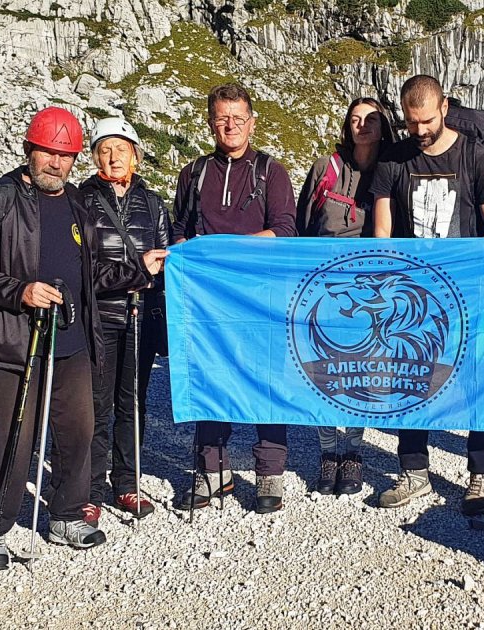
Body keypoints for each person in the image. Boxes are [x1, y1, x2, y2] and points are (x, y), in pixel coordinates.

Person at [0, 107, 167, 571]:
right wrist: (20, 291)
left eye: (66, 154)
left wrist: (138, 271)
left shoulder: (78, 204)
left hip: (72, 342)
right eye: (48, 151)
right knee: (13, 438)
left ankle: (66, 515)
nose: (56, 162)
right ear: (29, 149)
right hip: (13, 344)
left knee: (78, 433)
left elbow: (92, 274)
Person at [370, 75, 484, 516]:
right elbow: (382, 228)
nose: (418, 131)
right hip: (415, 296)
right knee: (412, 381)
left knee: (475, 381)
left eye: (426, 121)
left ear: (444, 107)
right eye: (410, 123)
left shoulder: (476, 156)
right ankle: (414, 472)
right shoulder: (394, 160)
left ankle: (481, 476)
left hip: (469, 293)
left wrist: (465, 273)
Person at [171, 83, 298, 514]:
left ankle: (269, 475)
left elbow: (285, 230)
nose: (231, 126)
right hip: (209, 300)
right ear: (210, 122)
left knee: (266, 381)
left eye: (238, 118)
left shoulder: (271, 172)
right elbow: (180, 233)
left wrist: (226, 251)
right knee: (210, 379)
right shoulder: (193, 173)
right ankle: (212, 473)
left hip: (261, 298)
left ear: (252, 122)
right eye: (222, 118)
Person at [296, 97, 395, 496]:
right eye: (354, 119)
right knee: (323, 371)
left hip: (371, 290)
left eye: (370, 119)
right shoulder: (326, 167)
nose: (362, 125)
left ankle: (352, 452)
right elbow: (303, 223)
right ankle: (326, 452)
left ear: (383, 126)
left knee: (358, 373)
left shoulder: (393, 171)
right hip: (325, 286)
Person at [78, 117, 171, 520]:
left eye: (121, 149)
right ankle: (91, 489)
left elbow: (168, 262)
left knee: (133, 403)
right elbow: (81, 267)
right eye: (104, 149)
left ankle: (128, 484)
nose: (113, 157)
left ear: (135, 154)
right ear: (94, 155)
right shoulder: (79, 200)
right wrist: (138, 272)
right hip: (97, 317)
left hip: (141, 318)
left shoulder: (152, 203)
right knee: (95, 404)